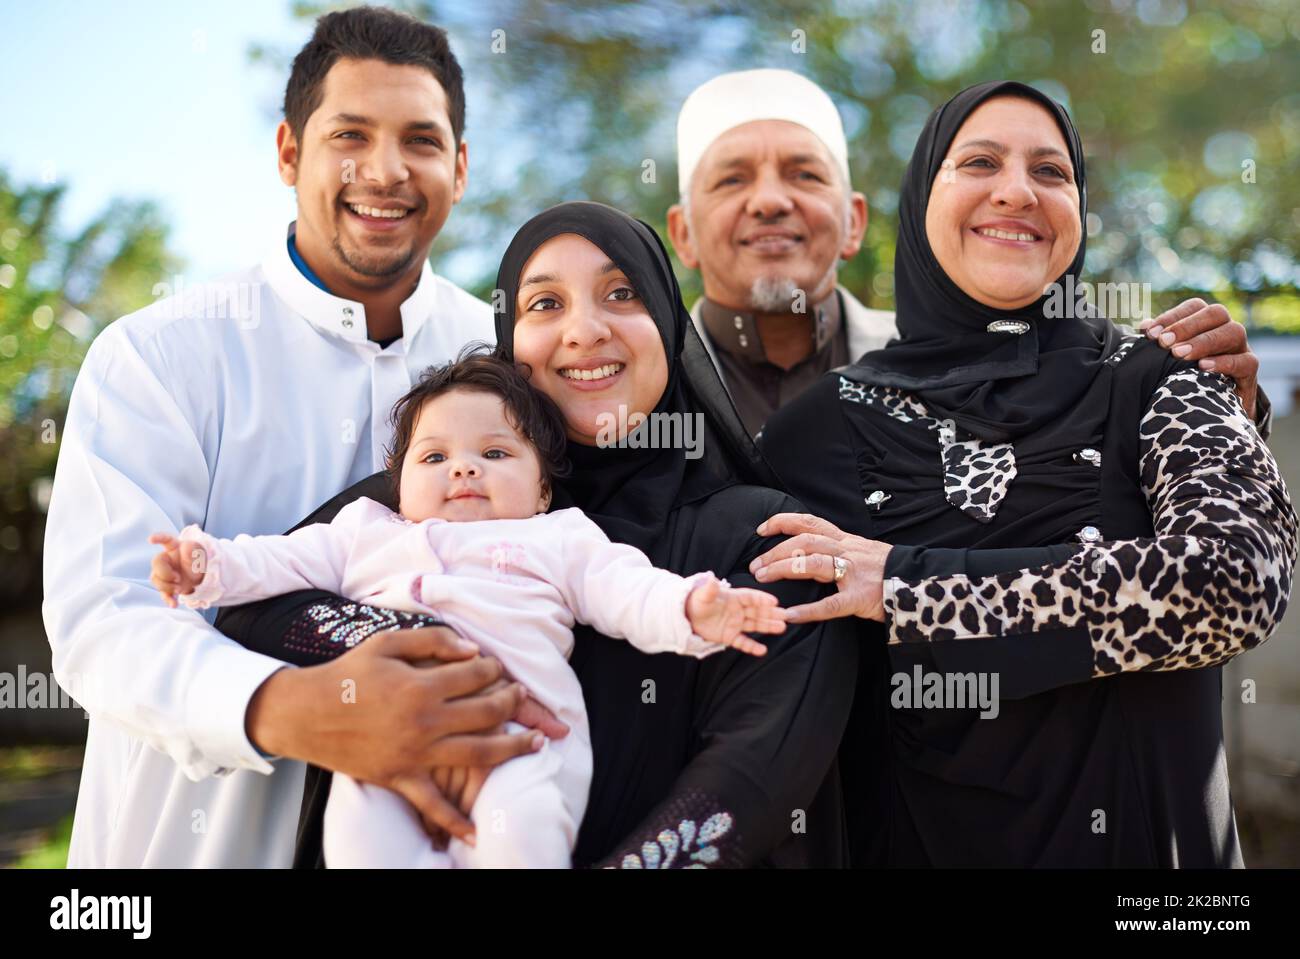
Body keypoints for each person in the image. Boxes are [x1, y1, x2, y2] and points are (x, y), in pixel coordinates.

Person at [41, 7, 557, 868]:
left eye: (421, 141)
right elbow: (106, 617)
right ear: (290, 152)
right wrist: (296, 706)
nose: (386, 171)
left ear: (460, 168)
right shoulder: (158, 355)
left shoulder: (505, 357)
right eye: (350, 134)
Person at [215, 201, 859, 868]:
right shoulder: (432, 502)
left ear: (668, 321)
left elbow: (753, 778)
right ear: (509, 340)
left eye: (621, 293)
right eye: (544, 304)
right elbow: (249, 607)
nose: (583, 330)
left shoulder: (765, 538)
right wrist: (428, 665)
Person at [754, 80, 1298, 867]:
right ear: (920, 198)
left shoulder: (1164, 374)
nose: (1016, 191)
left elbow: (1236, 580)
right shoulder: (813, 433)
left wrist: (911, 587)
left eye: (1051, 172)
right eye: (979, 161)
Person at [147, 352, 783, 867]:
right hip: (386, 742)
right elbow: (276, 563)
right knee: (360, 841)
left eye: (495, 453)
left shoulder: (560, 537)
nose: (464, 470)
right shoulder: (364, 530)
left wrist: (693, 606)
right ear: (400, 482)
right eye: (435, 457)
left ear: (541, 489)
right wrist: (207, 566)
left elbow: (627, 590)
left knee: (522, 837)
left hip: (521, 745)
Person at [666, 69, 1271, 439]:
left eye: (803, 174)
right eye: (731, 181)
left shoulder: (971, 359)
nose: (770, 201)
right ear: (683, 235)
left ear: (855, 223)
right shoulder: (635, 390)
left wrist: (1226, 413)